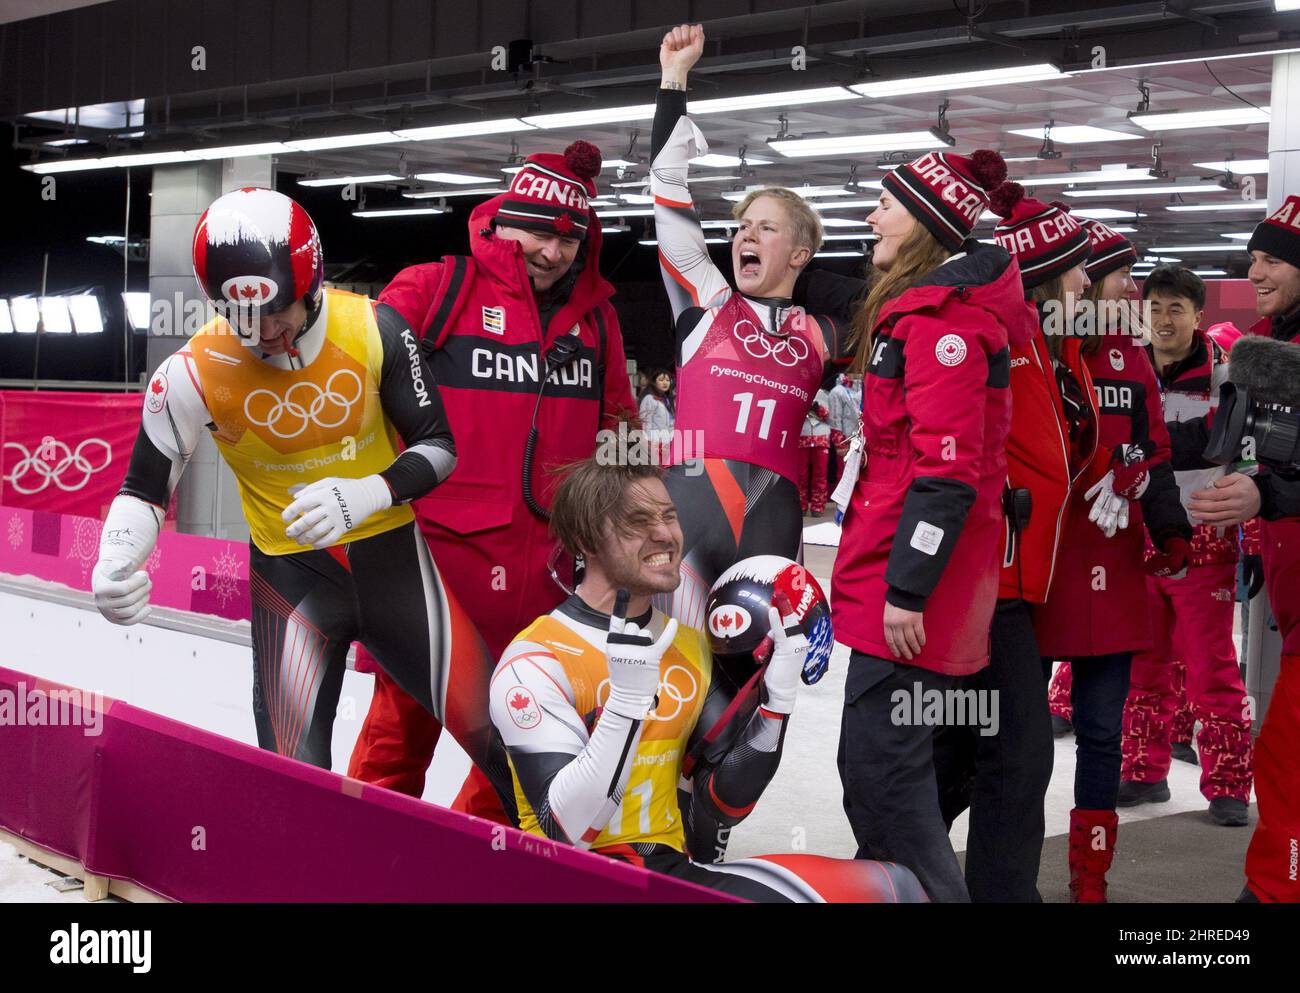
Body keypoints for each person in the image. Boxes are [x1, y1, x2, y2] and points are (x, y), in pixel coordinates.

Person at [90, 188, 507, 784]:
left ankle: (572, 873)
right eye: (243, 320)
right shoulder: (189, 372)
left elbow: (439, 448)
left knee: (501, 740)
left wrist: (371, 491)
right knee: (295, 782)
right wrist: (115, 559)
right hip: (290, 584)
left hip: (395, 569)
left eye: (278, 313)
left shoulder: (375, 328)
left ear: (313, 286)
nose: (266, 335)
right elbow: (145, 489)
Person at [342, 138, 638, 810]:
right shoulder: (436, 287)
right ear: (503, 220)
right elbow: (352, 384)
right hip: (434, 578)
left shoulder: (597, 321)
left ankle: (466, 873)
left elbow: (620, 432)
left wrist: (632, 535)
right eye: (538, 232)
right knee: (397, 742)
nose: (554, 253)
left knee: (521, 757)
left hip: (550, 583)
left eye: (570, 241)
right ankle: (359, 868)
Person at [488, 451, 926, 902]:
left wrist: (777, 706)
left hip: (667, 871)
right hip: (569, 882)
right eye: (639, 521)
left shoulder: (689, 644)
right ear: (586, 540)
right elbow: (567, 832)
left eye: (669, 517)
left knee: (894, 888)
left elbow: (722, 806)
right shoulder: (534, 661)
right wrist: (624, 705)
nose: (665, 535)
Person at [826, 136, 1014, 902]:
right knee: (887, 779)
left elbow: (946, 477)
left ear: (928, 225)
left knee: (885, 784)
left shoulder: (944, 327)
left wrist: (906, 587)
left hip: (904, 599)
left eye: (887, 208)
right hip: (899, 584)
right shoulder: (930, 314)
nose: (871, 218)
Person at [995, 191, 1192, 902]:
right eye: (1116, 274)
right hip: (1043, 563)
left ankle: (1090, 878)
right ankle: (1006, 865)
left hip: (1112, 560)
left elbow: (1155, 446)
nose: (1129, 288)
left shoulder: (1132, 357)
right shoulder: (1040, 346)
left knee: (1103, 733)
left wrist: (1165, 517)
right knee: (1021, 738)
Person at [650, 24, 851, 631]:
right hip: (683, 515)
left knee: (756, 686)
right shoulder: (708, 303)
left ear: (799, 254)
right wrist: (673, 80)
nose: (744, 236)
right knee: (670, 688)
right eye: (742, 227)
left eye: (765, 228)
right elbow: (666, 190)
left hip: (773, 523)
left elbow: (895, 296)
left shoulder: (819, 335)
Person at [1183, 195, 1300, 902]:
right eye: (1252, 257)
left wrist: (1271, 497)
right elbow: (1252, 454)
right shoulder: (1268, 347)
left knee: (1285, 760)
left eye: (1272, 259)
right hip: (1290, 590)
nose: (1253, 271)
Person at [1117, 264, 1253, 826]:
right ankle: (1143, 774)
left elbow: (1238, 457)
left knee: (1211, 669)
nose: (1164, 319)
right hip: (1140, 539)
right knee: (1142, 666)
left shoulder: (1229, 379)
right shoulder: (1124, 372)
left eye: (1177, 308)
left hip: (1205, 543)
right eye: (1155, 307)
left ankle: (1227, 786)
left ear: (1200, 316)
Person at [798, 387, 832, 516]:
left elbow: (832, 417)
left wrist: (819, 409)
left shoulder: (825, 394)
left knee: (821, 474)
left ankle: (818, 506)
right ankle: (800, 505)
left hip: (821, 438)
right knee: (801, 475)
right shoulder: (799, 391)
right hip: (802, 437)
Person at [827, 372, 862, 482]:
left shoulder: (865, 388)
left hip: (864, 438)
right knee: (846, 475)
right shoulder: (838, 392)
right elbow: (835, 419)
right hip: (847, 439)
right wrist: (839, 443)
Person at [638, 369, 675, 446]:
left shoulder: (667, 400)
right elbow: (645, 423)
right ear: (654, 382)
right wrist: (648, 442)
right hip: (654, 444)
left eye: (668, 380)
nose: (665, 383)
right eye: (661, 380)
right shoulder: (649, 399)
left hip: (667, 443)